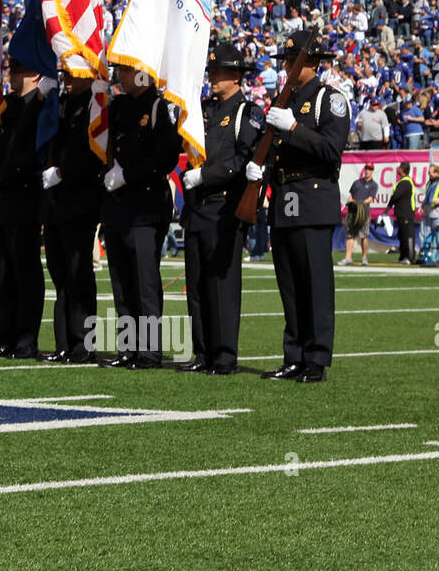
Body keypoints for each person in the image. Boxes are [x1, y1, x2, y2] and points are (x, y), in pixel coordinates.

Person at [245, 31, 349, 382]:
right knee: (289, 282)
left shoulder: (328, 100)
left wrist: (293, 128)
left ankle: (316, 359)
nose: (286, 67)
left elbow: (331, 150)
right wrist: (261, 168)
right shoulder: (283, 101)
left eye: (292, 62)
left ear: (311, 63)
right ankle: (294, 355)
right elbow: (274, 151)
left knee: (315, 283)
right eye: (286, 62)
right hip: (284, 198)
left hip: (313, 196)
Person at [179, 43, 265, 375]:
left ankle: (225, 355)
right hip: (198, 208)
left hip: (223, 207)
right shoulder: (205, 110)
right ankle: (202, 351)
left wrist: (206, 175)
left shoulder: (247, 112)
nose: (212, 78)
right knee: (197, 284)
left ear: (235, 76)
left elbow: (240, 162)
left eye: (217, 73)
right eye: (211, 72)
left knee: (221, 286)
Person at [100, 64, 182, 369]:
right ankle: (128, 348)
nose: (120, 75)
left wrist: (129, 174)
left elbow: (167, 156)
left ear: (144, 72)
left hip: (146, 206)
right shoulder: (117, 106)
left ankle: (148, 351)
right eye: (119, 70)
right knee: (121, 282)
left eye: (127, 70)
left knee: (145, 282)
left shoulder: (160, 107)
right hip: (118, 204)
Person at [0, 57, 49, 359]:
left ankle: (25, 339)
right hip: (0, 200)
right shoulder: (6, 104)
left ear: (34, 73)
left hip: (24, 196)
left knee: (25, 272)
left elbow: (36, 153)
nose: (12, 75)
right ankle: (5, 338)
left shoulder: (39, 104)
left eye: (18, 70)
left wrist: (3, 172)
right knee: (2, 272)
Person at [40, 73, 107, 364]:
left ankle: (84, 344)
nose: (66, 77)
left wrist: (63, 172)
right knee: (61, 275)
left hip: (80, 200)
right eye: (65, 72)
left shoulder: (95, 105)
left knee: (79, 275)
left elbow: (94, 155)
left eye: (73, 73)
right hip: (56, 203)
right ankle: (64, 343)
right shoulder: (61, 103)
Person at [340, 164, 378, 266]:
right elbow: (351, 196)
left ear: (372, 171)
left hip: (363, 213)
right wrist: (351, 200)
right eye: (366, 168)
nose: (367, 171)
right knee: (350, 235)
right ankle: (348, 258)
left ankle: (364, 258)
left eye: (370, 169)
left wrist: (360, 203)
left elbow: (371, 198)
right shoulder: (357, 183)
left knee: (364, 236)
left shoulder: (374, 185)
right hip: (352, 212)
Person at [387, 168, 418, 264]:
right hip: (401, 214)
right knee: (401, 236)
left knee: (407, 235)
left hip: (406, 214)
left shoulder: (405, 182)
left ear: (403, 169)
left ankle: (409, 257)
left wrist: (388, 207)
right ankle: (402, 257)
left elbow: (395, 195)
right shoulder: (403, 181)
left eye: (399, 167)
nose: (397, 169)